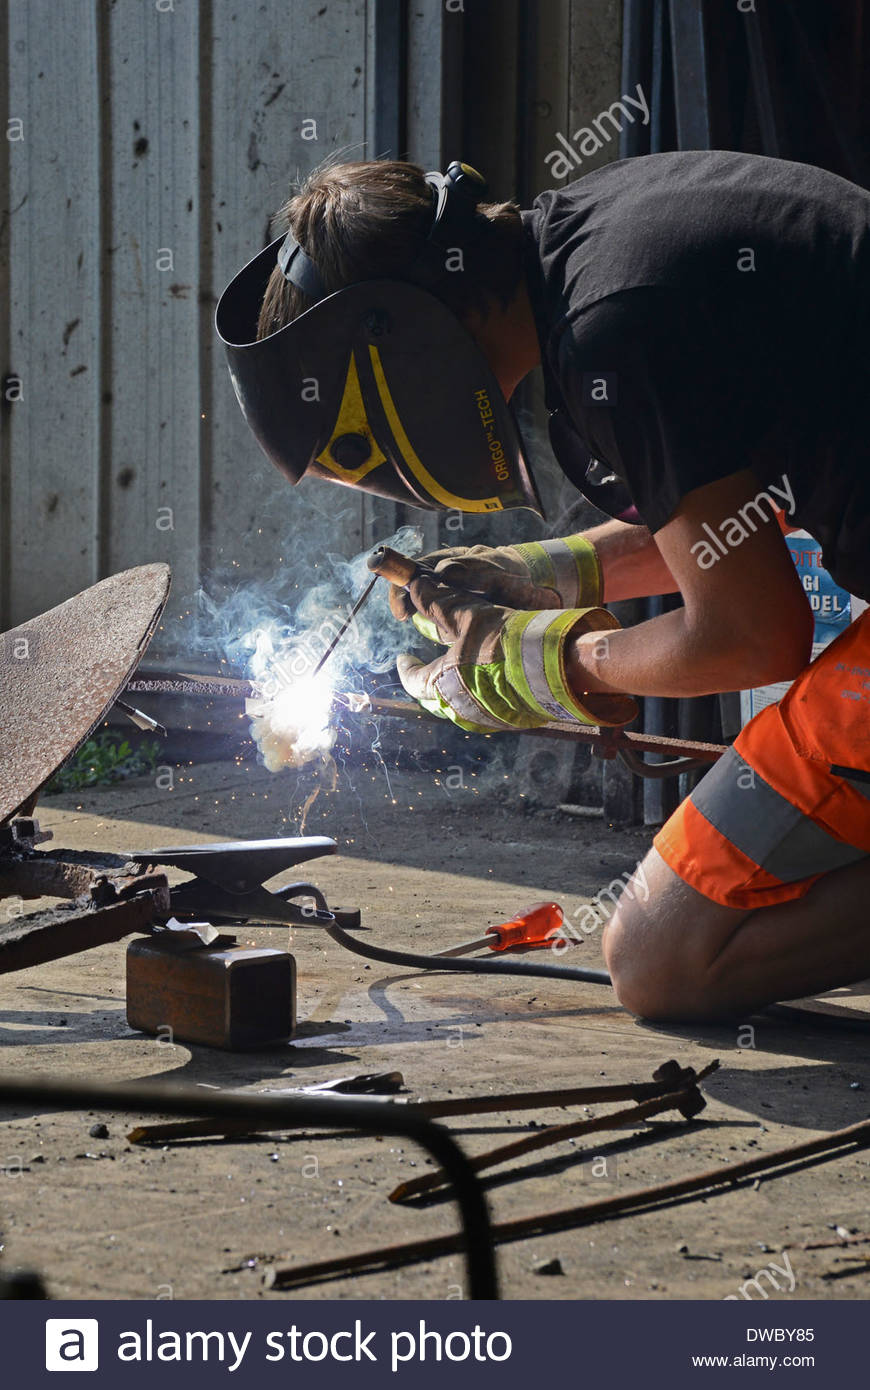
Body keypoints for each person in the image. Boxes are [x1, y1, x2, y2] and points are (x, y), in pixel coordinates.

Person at [216, 152, 870, 1022]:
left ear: (402, 345)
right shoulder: (594, 248)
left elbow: (751, 636)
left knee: (664, 959)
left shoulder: (613, 329)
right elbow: (730, 502)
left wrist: (537, 663)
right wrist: (540, 573)